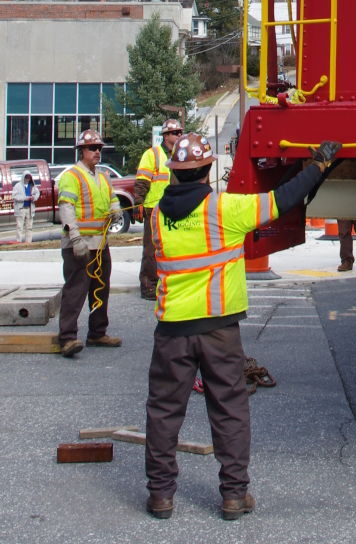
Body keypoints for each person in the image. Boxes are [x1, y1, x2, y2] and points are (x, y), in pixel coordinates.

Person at [144, 131, 341, 521]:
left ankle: (160, 497)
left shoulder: (157, 216)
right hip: (218, 329)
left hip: (172, 331)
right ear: (207, 170)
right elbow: (282, 199)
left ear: (174, 171)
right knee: (229, 409)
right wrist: (319, 165)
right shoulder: (224, 209)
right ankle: (234, 496)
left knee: (164, 411)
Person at [56, 129, 123, 358]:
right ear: (81, 150)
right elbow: (66, 207)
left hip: (100, 243)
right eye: (93, 148)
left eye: (99, 148)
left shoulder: (103, 176)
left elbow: (113, 199)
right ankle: (67, 338)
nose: (97, 152)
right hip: (79, 245)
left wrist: (115, 210)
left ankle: (97, 333)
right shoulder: (72, 176)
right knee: (75, 291)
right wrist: (75, 238)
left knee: (100, 289)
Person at [133, 117, 183, 300]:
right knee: (151, 251)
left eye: (180, 132)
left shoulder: (180, 155)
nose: (179, 135)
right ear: (166, 135)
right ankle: (148, 287)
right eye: (175, 133)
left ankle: (168, 283)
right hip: (153, 209)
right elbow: (142, 181)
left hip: (174, 209)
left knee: (173, 248)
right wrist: (138, 203)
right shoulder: (152, 154)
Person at [12, 172, 40, 244]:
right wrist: (25, 198)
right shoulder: (17, 186)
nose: (27, 179)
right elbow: (14, 196)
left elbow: (37, 193)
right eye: (26, 177)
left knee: (29, 227)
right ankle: (18, 242)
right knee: (19, 227)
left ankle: (28, 242)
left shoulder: (32, 186)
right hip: (20, 209)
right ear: (23, 177)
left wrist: (34, 198)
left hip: (30, 209)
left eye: (29, 178)